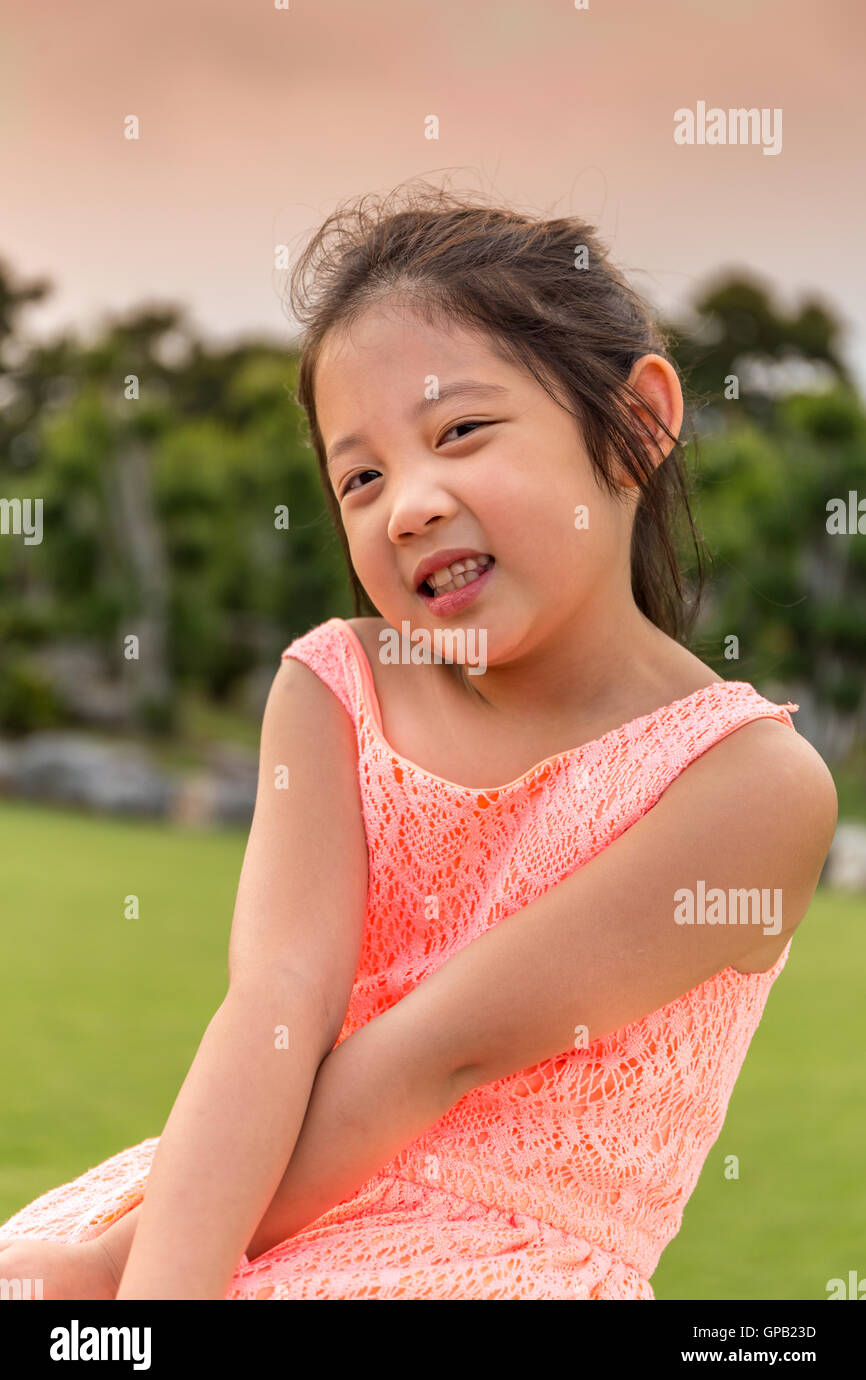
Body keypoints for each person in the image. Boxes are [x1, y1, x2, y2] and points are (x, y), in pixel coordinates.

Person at [0, 181, 837, 1299]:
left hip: (483, 1265)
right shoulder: (335, 689)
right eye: (359, 477)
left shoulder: (747, 785)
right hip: (226, 1210)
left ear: (634, 421)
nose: (407, 504)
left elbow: (432, 1058)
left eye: (459, 431)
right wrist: (147, 1261)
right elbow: (273, 1003)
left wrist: (126, 1279)